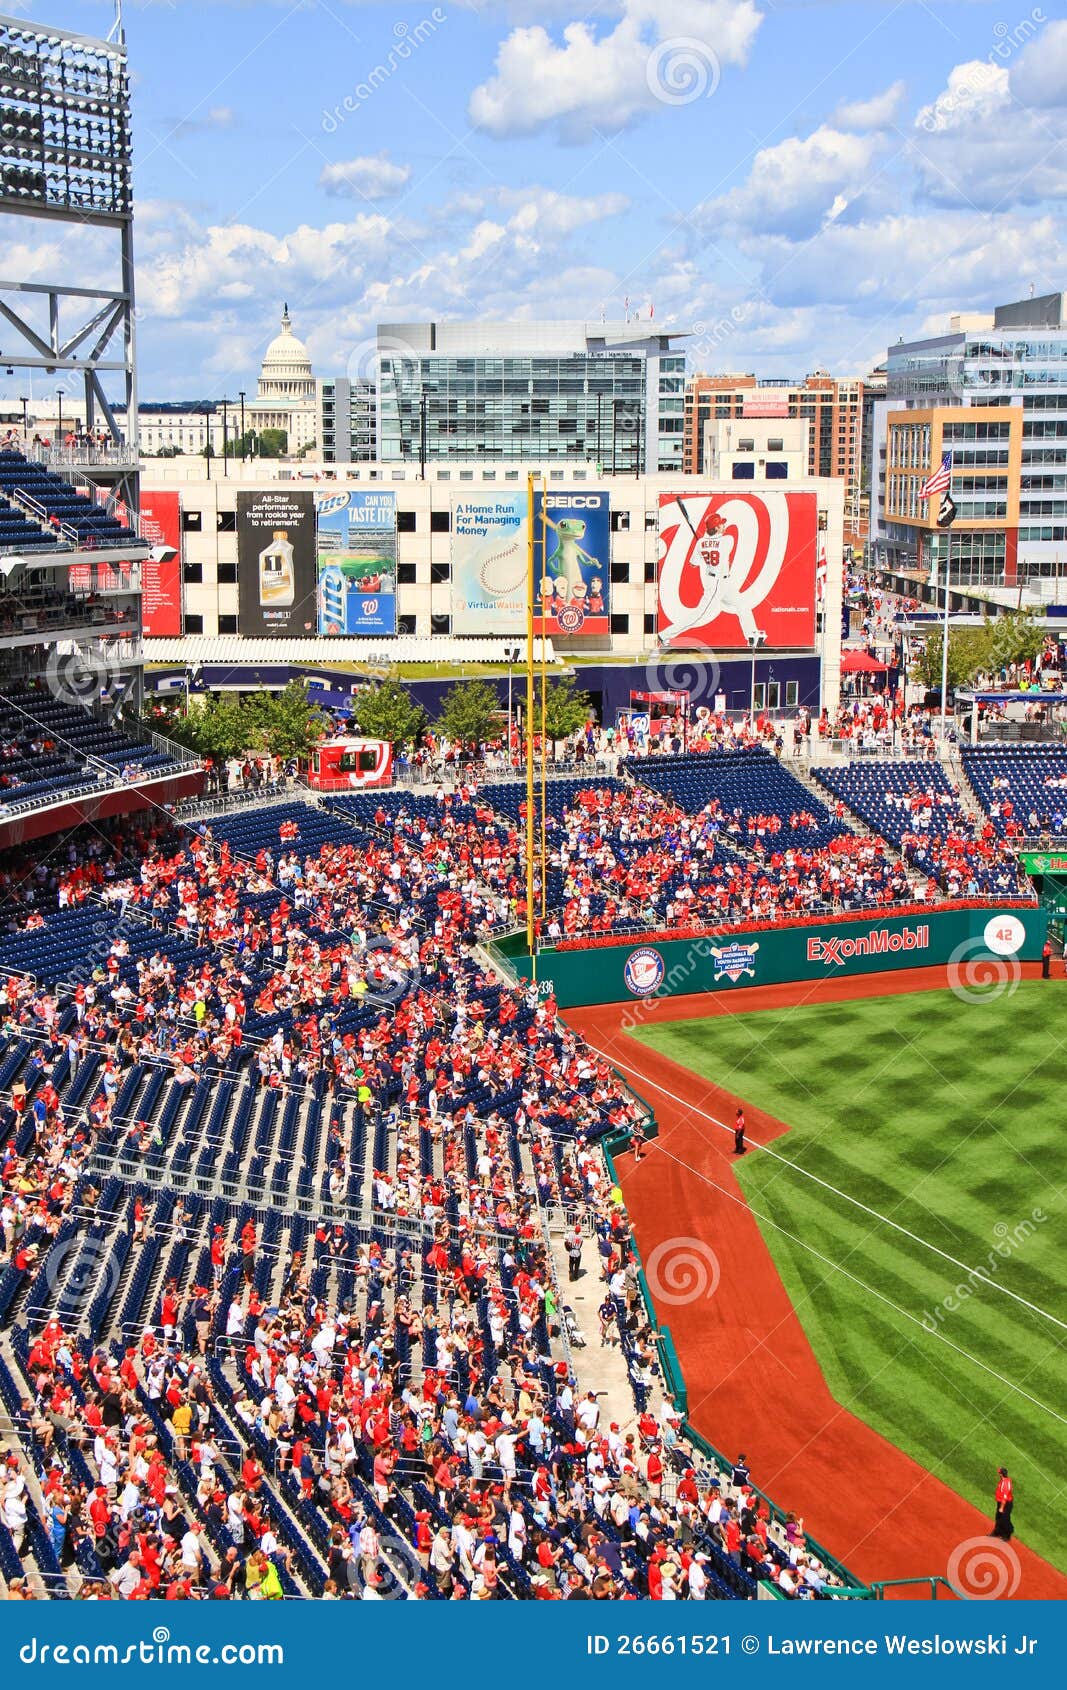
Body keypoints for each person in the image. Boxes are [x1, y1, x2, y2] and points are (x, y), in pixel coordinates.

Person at [991, 1467, 1014, 1540]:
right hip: (1001, 1503)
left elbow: (1005, 1497)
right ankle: (997, 1532)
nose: (998, 1474)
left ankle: (1007, 1535)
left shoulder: (1005, 1484)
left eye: (999, 1472)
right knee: (998, 1517)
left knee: (1005, 1519)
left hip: (1005, 1504)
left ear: (1001, 1474)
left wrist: (1001, 1507)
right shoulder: (1005, 1480)